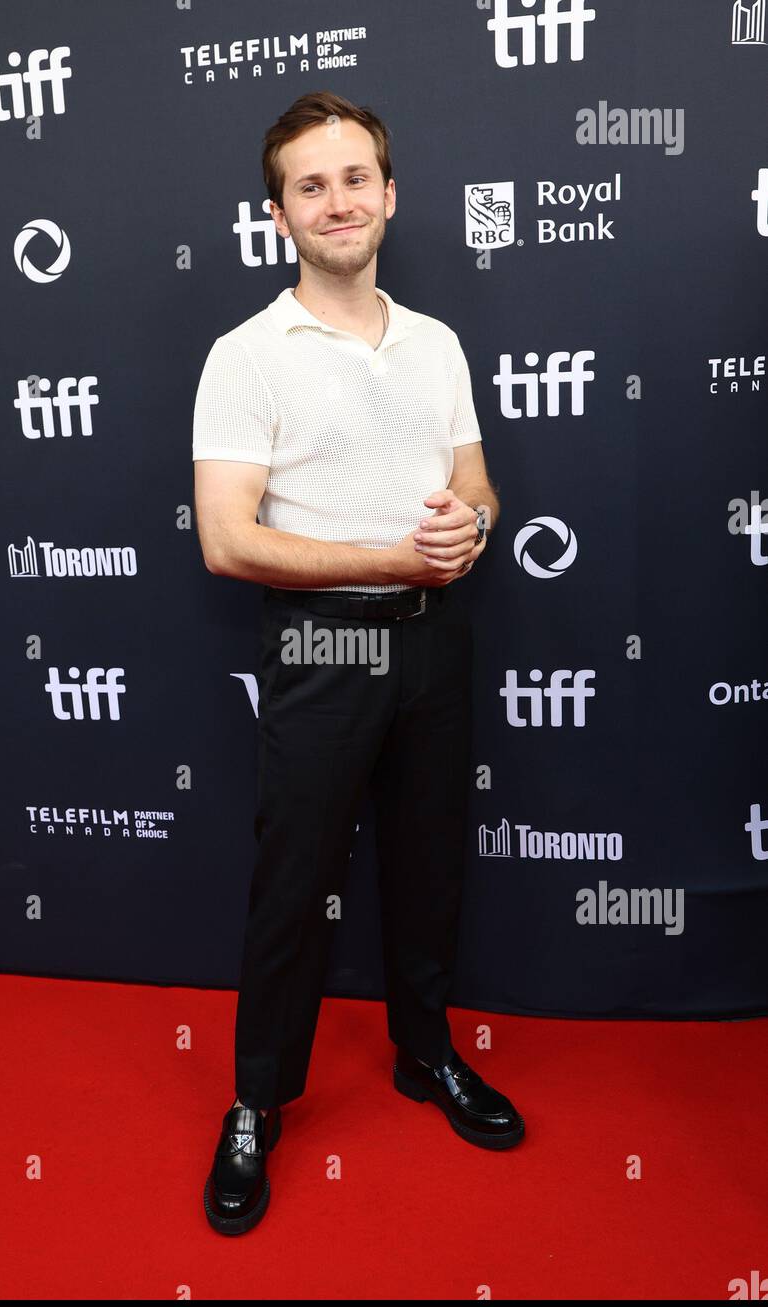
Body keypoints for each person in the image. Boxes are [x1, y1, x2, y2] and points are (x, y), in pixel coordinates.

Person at [192, 90, 524, 1236]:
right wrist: (387, 555)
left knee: (430, 866)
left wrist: (464, 533)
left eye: (355, 178)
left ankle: (424, 1055)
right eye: (310, 184)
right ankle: (254, 1104)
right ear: (278, 212)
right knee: (294, 885)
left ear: (388, 193)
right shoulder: (246, 354)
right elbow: (227, 538)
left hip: (437, 642)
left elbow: (476, 483)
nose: (338, 201)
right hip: (324, 643)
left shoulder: (436, 342)